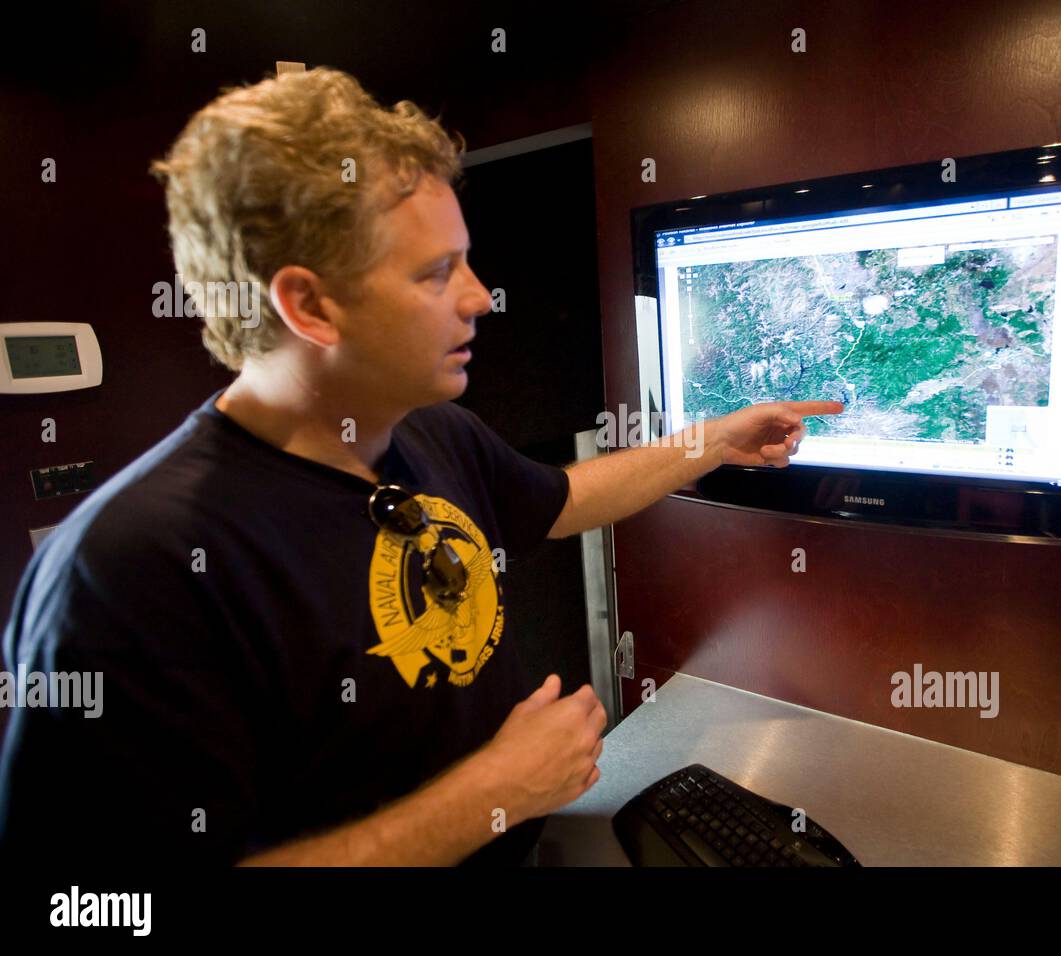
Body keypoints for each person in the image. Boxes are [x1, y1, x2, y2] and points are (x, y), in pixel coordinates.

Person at [0, 66, 841, 866]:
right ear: (310, 305)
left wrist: (714, 441)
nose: (479, 297)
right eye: (438, 273)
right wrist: (493, 793)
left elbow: (564, 498)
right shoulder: (129, 573)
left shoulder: (432, 432)